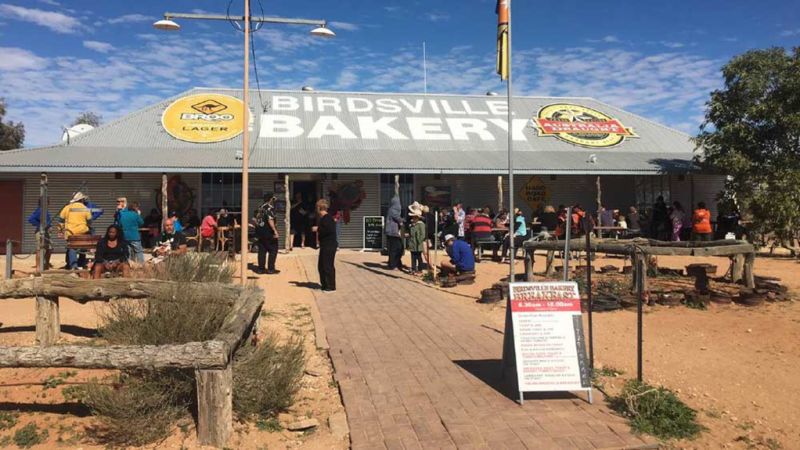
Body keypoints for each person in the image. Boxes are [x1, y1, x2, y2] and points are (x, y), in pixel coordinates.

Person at [58, 192, 92, 269]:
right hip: (83, 233)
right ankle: (81, 263)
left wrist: (60, 230)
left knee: (71, 248)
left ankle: (72, 265)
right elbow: (90, 221)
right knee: (83, 247)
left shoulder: (67, 208)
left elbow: (60, 220)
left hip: (70, 234)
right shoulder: (85, 208)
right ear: (81, 199)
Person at [313, 199, 337, 291]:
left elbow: (328, 230)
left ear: (319, 208)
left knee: (327, 266)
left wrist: (317, 229)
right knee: (321, 266)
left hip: (329, 245)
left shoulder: (328, 218)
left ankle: (330, 286)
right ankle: (324, 284)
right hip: (325, 245)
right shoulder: (324, 218)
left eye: (317, 208)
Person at [253, 195, 280, 274]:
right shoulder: (269, 208)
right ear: (270, 199)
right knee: (273, 250)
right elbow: (270, 220)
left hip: (260, 233)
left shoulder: (260, 208)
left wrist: (258, 228)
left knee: (262, 250)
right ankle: (271, 269)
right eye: (274, 199)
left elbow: (254, 219)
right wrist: (275, 231)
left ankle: (261, 269)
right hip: (269, 232)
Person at [27, 201, 52, 270]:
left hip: (47, 232)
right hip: (41, 232)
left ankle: (46, 265)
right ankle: (38, 266)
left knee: (49, 249)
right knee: (40, 249)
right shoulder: (40, 210)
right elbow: (31, 219)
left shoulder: (45, 211)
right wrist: (40, 225)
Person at [384, 194, 404, 270]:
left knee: (395, 249)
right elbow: (397, 218)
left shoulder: (391, 209)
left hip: (391, 232)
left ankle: (395, 263)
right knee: (396, 249)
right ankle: (393, 265)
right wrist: (403, 220)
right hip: (393, 233)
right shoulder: (393, 210)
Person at [406, 207, 427, 274]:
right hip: (412, 243)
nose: (413, 218)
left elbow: (422, 235)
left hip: (418, 244)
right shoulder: (411, 225)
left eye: (414, 217)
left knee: (418, 257)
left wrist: (419, 241)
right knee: (413, 257)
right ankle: (413, 268)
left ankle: (420, 269)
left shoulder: (421, 224)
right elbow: (410, 234)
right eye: (413, 217)